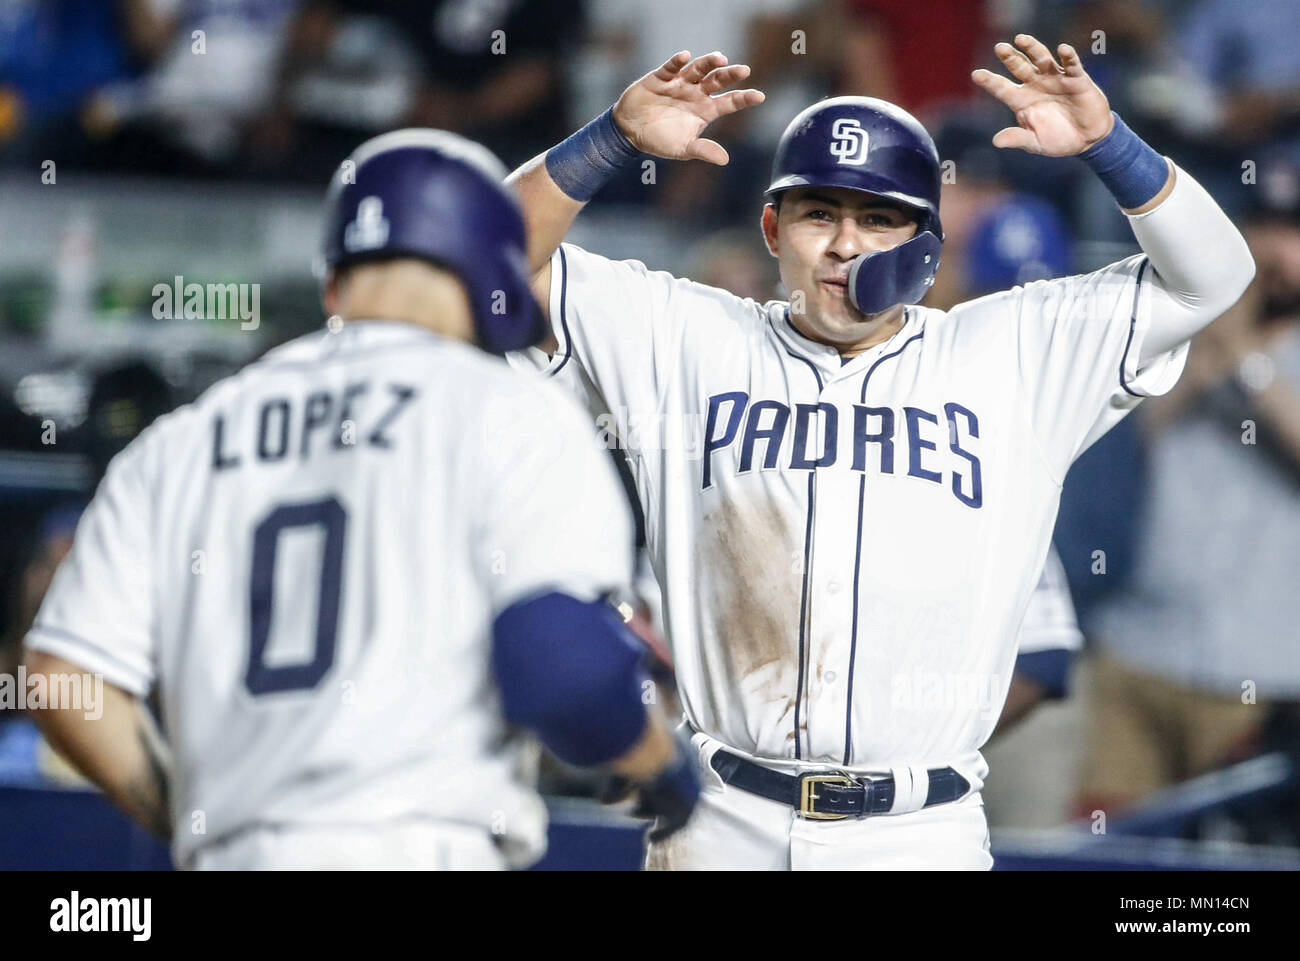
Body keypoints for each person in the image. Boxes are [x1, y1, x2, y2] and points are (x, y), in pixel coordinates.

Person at [502, 35, 1254, 870]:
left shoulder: (1015, 350)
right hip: (722, 821)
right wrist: (611, 140)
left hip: (918, 830)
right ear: (771, 226)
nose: (846, 245)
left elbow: (1214, 276)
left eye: (880, 217)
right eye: (818, 212)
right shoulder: (682, 333)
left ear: (927, 246)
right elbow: (484, 261)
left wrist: (1111, 148)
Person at [21, 128, 698, 870]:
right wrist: (659, 764)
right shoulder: (509, 408)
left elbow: (62, 678)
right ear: (490, 284)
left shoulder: (181, 438)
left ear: (333, 283)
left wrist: (192, 816)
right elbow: (559, 660)